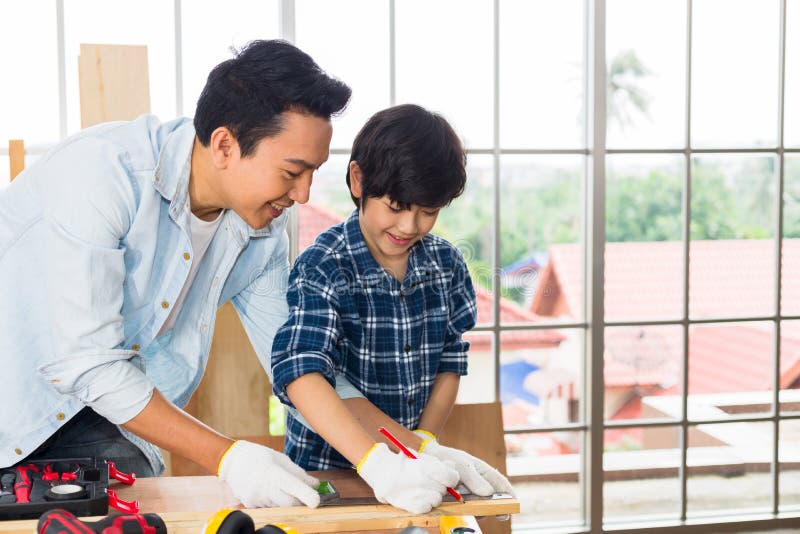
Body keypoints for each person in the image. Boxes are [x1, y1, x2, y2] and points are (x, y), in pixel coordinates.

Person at [0, 39, 351, 509]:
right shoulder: (102, 175)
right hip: (14, 395)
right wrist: (231, 458)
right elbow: (90, 362)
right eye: (292, 172)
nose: (304, 194)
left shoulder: (264, 228)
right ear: (225, 145)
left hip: (92, 415)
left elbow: (293, 361)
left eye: (313, 174)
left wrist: (394, 456)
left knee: (140, 507)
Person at [270, 104, 514, 515]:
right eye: (397, 206)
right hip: (328, 478)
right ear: (358, 179)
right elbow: (302, 370)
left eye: (428, 212)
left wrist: (423, 444)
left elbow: (450, 363)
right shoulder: (323, 265)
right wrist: (389, 460)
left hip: (415, 469)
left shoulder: (447, 264)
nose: (409, 226)